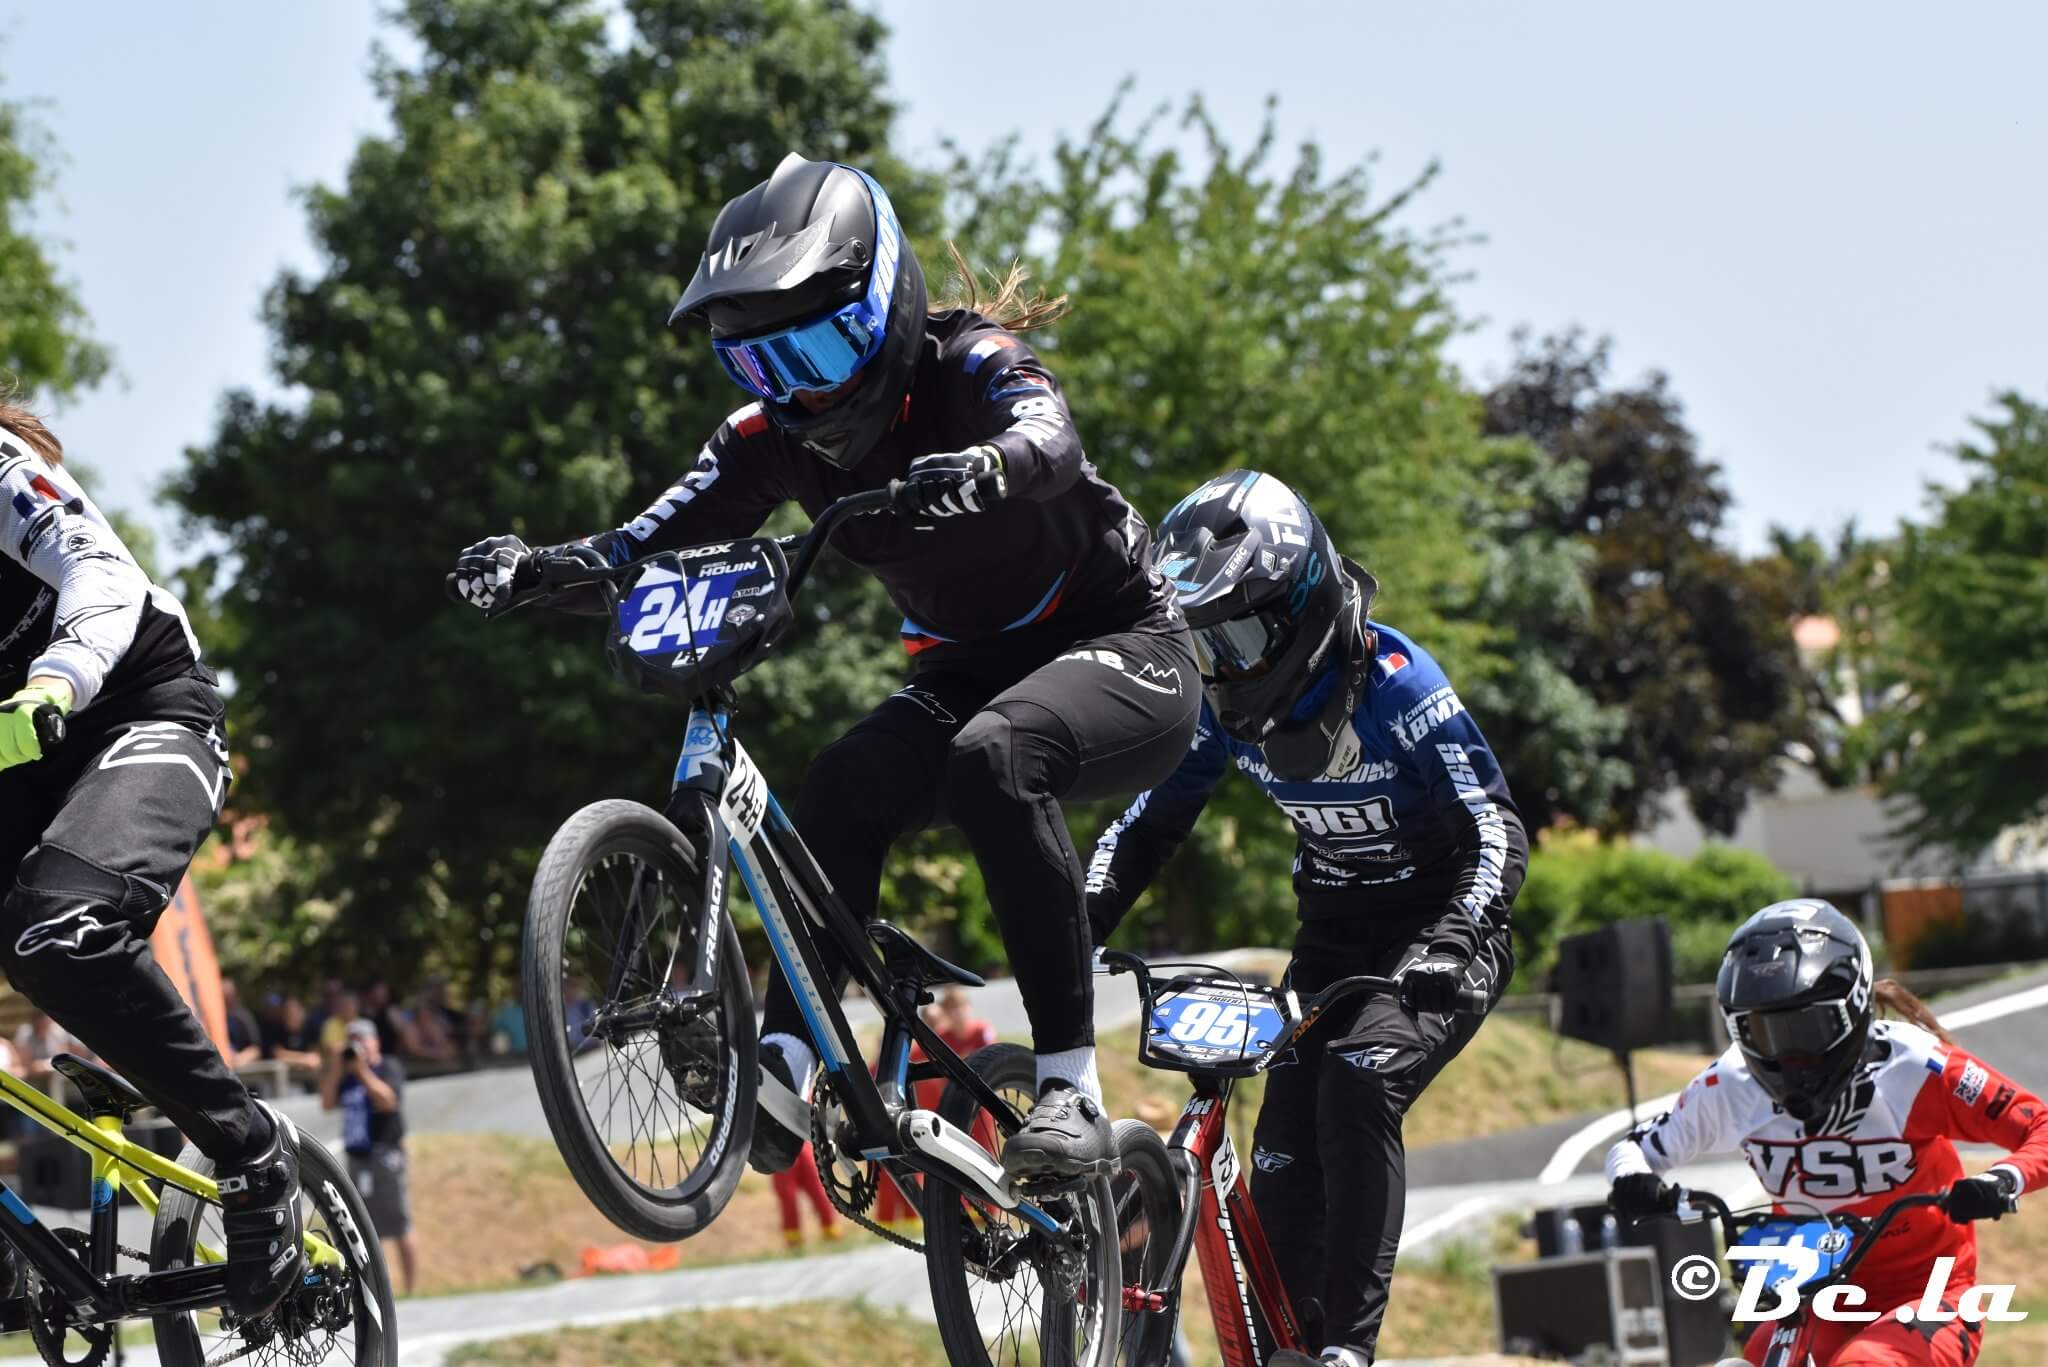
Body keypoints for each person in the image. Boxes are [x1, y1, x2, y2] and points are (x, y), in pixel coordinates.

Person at [451, 153, 1199, 1182]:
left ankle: (1070, 1086)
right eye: (760, 365)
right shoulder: (766, 440)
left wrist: (990, 464)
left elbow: (1050, 435)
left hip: (1123, 643)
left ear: (888, 305)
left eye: (817, 347)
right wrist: (537, 570)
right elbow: (637, 548)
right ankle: (787, 1065)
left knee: (996, 755)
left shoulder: (972, 363)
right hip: (966, 672)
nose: (799, 389)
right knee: (840, 785)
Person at [1086, 471, 1526, 1367]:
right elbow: (1149, 822)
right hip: (1332, 934)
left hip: (1443, 930)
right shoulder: (1220, 710)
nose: (1217, 671)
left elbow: (1496, 826)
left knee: (1357, 1081)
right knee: (1282, 1140)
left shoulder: (1401, 684)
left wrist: (1454, 942)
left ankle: (1349, 1352)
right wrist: (1076, 918)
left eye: (1235, 640)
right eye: (1201, 646)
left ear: (1304, 608)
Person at [0, 397, 301, 1316]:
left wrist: (56, 678)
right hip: (14, 768)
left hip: (138, 709)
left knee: (55, 929)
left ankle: (252, 1152)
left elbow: (96, 566)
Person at [1606, 901, 2046, 1367]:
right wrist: (1633, 1181)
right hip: (1811, 1296)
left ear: (1853, 1007)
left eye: (1806, 1029)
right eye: (1763, 1032)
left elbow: (2038, 1124)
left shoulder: (1919, 1068)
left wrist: (2002, 1180)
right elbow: (1633, 1150)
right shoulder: (1730, 1084)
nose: (1787, 1056)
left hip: (1929, 1293)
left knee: (1867, 1362)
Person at [322, 1018, 418, 1295]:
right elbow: (327, 1102)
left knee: (398, 1222)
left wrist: (362, 1070)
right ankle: (375, 1290)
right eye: (352, 1039)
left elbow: (388, 1100)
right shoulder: (346, 1075)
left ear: (375, 1041)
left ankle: (412, 1289)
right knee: (362, 1225)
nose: (357, 1044)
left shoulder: (387, 1066)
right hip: (357, 1158)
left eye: (362, 1038)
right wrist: (336, 1067)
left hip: (384, 1153)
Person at [769, 1141, 845, 1250]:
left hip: (803, 1145)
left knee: (819, 1190)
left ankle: (831, 1231)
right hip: (778, 1150)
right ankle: (793, 1239)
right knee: (787, 1195)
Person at [262, 995, 324, 1079]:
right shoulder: (276, 1030)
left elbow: (315, 1055)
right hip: (281, 1079)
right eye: (289, 1013)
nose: (293, 1015)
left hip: (306, 1078)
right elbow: (278, 1054)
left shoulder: (310, 1029)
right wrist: (303, 1059)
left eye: (295, 1012)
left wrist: (307, 1059)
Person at [221, 979, 264, 1069]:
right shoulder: (214, 1018)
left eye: (228, 996)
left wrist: (238, 1059)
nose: (226, 1000)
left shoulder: (243, 1017)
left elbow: (255, 1049)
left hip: (240, 1066)